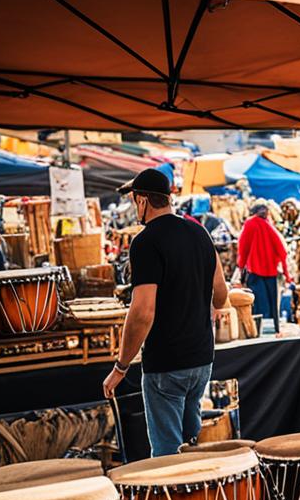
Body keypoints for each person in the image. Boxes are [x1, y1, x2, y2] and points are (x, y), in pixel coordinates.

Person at [102, 169, 229, 456]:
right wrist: (201, 307)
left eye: (135, 201)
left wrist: (120, 367)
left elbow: (142, 312)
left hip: (167, 364)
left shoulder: (145, 242)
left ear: (143, 200)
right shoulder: (199, 232)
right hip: (201, 359)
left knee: (167, 456)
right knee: (191, 446)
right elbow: (221, 294)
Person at [236, 203, 289, 335]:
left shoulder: (250, 224)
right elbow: (282, 251)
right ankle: (272, 332)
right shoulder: (269, 226)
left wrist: (241, 267)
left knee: (259, 305)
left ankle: (260, 333)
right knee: (271, 304)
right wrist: (287, 274)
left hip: (255, 272)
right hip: (271, 273)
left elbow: (243, 248)